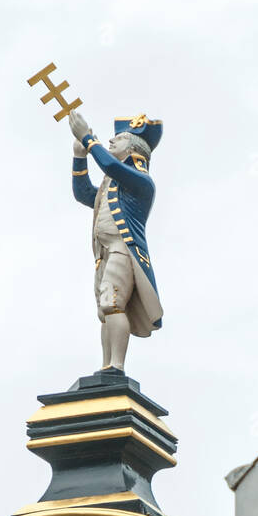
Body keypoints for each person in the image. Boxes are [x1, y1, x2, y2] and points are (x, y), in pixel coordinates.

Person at [68, 110, 163, 373]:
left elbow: (109, 165)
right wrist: (79, 156)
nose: (110, 142)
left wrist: (89, 139)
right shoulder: (112, 185)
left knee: (112, 305)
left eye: (118, 139)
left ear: (133, 150)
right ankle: (107, 365)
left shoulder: (141, 182)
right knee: (104, 312)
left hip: (123, 251)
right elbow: (84, 194)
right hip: (105, 253)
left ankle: (116, 366)